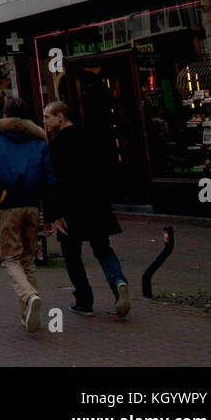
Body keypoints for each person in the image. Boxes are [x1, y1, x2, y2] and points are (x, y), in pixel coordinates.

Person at [0, 97, 57, 333]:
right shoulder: (39, 142)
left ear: (5, 114)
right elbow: (50, 180)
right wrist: (49, 215)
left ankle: (30, 296)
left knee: (10, 259)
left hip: (7, 204)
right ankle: (27, 315)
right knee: (28, 259)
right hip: (33, 206)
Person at [44, 101, 131, 318]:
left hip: (71, 208)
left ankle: (84, 300)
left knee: (72, 255)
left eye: (48, 117)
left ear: (61, 117)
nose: (45, 121)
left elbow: (52, 182)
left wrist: (54, 214)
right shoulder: (90, 138)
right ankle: (118, 281)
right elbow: (107, 169)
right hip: (96, 204)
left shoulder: (56, 146)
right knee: (103, 249)